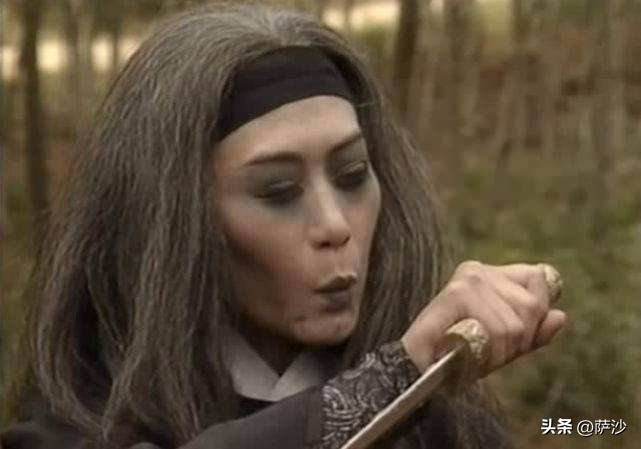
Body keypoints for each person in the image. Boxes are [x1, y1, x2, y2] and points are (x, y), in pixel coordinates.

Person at [0, 3, 567, 449]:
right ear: (177, 225)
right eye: (277, 191)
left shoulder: (443, 423)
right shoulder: (76, 418)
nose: (335, 225)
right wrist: (398, 376)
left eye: (352, 174)